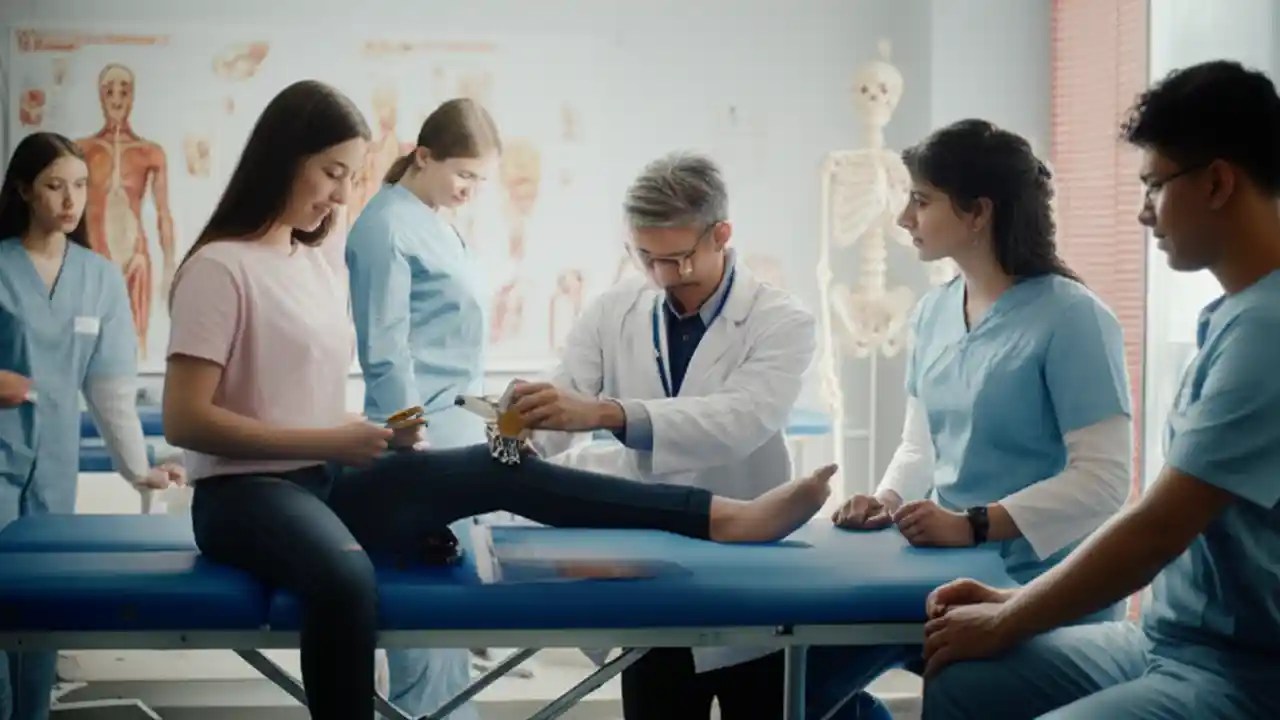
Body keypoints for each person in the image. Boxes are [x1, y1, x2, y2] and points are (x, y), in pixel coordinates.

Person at [160, 79, 836, 720]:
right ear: (284, 158)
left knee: (498, 469)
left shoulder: (305, 261)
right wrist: (341, 438)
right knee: (344, 579)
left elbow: (297, 399)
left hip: (324, 478)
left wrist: (483, 430)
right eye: (332, 173)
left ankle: (729, 518)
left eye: (349, 176)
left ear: (721, 236)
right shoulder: (219, 267)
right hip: (245, 497)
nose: (341, 196)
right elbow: (185, 420)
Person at [920, 59, 1280, 720]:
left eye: (1155, 187)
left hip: (1244, 669)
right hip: (1163, 637)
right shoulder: (1235, 315)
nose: (1144, 214)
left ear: (1219, 182)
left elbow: (1156, 527)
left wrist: (1011, 617)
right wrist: (1009, 605)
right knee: (961, 682)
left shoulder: (1266, 333)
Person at [808, 119, 1135, 719]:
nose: (904, 217)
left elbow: (1105, 482)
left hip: (1041, 590)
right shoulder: (934, 311)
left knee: (953, 684)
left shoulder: (1075, 319)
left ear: (977, 212)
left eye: (920, 199)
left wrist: (976, 524)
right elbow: (920, 444)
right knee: (800, 680)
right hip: (939, 572)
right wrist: (886, 500)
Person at [505, 151, 820, 720]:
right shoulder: (613, 310)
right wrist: (523, 429)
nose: (660, 276)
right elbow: (566, 399)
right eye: (645, 257)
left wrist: (608, 414)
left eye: (676, 259)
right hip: (649, 565)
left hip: (750, 571)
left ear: (721, 234)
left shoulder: (781, 320)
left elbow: (741, 419)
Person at [0, 131, 185, 720]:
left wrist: (140, 470)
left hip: (53, 469)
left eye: (79, 185)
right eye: (55, 185)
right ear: (25, 189)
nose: (70, 199)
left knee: (41, 609)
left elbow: (109, 392)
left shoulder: (100, 279)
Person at [344, 98, 499, 719]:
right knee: (424, 627)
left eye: (480, 180)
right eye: (463, 174)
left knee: (451, 624)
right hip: (421, 447)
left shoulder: (436, 221)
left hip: (458, 440)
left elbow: (456, 356)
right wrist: (416, 447)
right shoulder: (385, 227)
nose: (471, 189)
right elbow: (385, 352)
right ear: (423, 155)